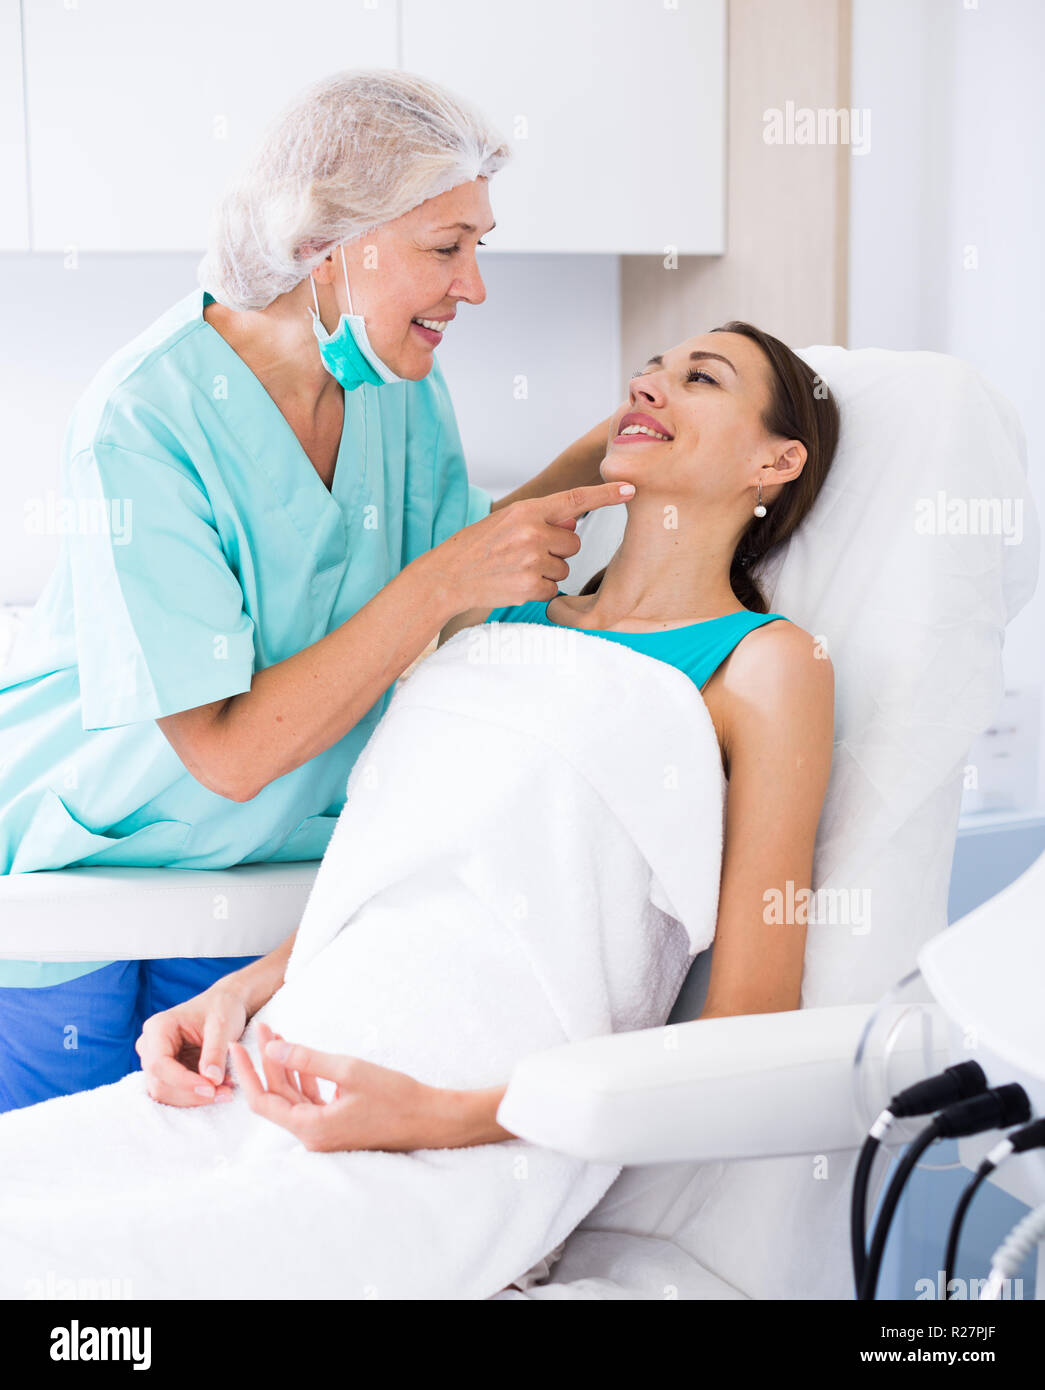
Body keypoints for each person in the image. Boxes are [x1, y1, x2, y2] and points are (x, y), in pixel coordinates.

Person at [0, 69, 623, 1113]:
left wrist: (616, 451)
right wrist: (441, 584)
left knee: (209, 1182)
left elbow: (464, 592)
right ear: (321, 243)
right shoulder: (143, 419)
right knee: (50, 1187)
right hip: (80, 865)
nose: (473, 288)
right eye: (444, 248)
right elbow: (229, 752)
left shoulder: (397, 390)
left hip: (274, 867)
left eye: (480, 247)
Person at [145, 321, 840, 1154]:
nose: (648, 384)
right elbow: (409, 864)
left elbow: (751, 1022)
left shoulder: (767, 665)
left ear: (776, 462)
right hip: (291, 1051)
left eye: (702, 380)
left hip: (478, 1124)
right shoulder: (490, 616)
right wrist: (246, 989)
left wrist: (445, 1118)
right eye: (648, 371)